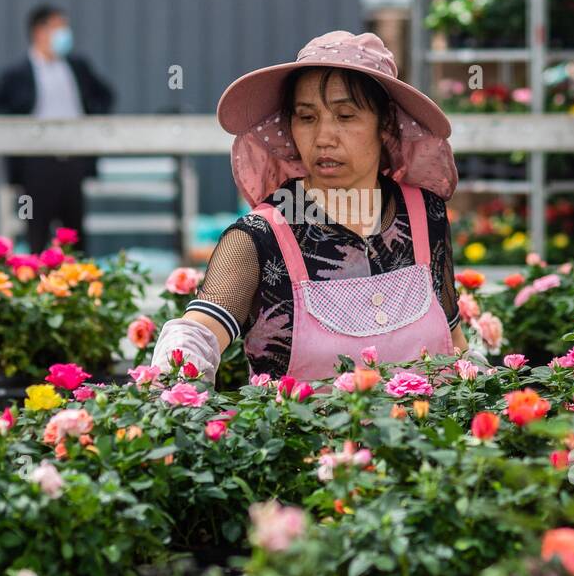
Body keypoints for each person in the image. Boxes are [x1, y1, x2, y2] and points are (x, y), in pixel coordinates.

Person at [150, 30, 471, 384]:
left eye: (345, 116)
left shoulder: (426, 215)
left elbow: (453, 342)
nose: (323, 137)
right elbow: (199, 332)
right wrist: (173, 388)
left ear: (384, 124)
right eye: (307, 117)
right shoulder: (260, 237)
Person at [0, 5, 116, 253]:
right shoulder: (17, 74)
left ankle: (77, 283)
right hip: (36, 163)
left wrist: (90, 123)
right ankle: (39, 284)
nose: (65, 33)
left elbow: (106, 95)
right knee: (37, 231)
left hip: (73, 159)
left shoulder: (77, 67)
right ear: (40, 32)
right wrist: (17, 128)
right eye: (59, 27)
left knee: (74, 232)